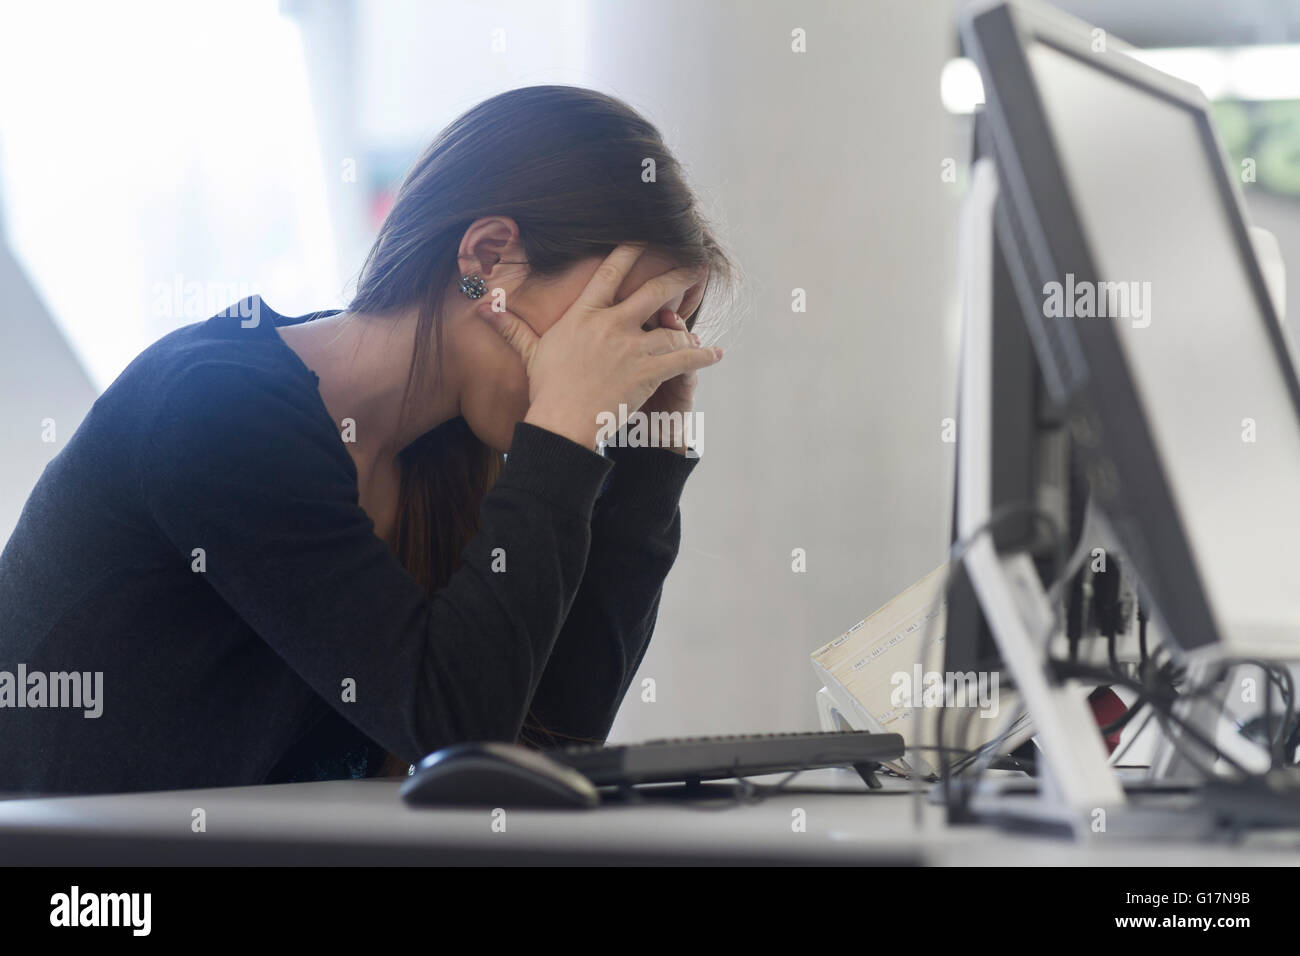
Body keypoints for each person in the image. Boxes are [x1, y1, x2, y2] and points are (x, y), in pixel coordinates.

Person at [0, 85, 734, 793]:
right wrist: (563, 431)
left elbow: (545, 743)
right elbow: (455, 732)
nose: (627, 364)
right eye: (619, 317)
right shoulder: (217, 410)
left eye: (660, 332)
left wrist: (651, 452)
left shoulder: (450, 459)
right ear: (487, 261)